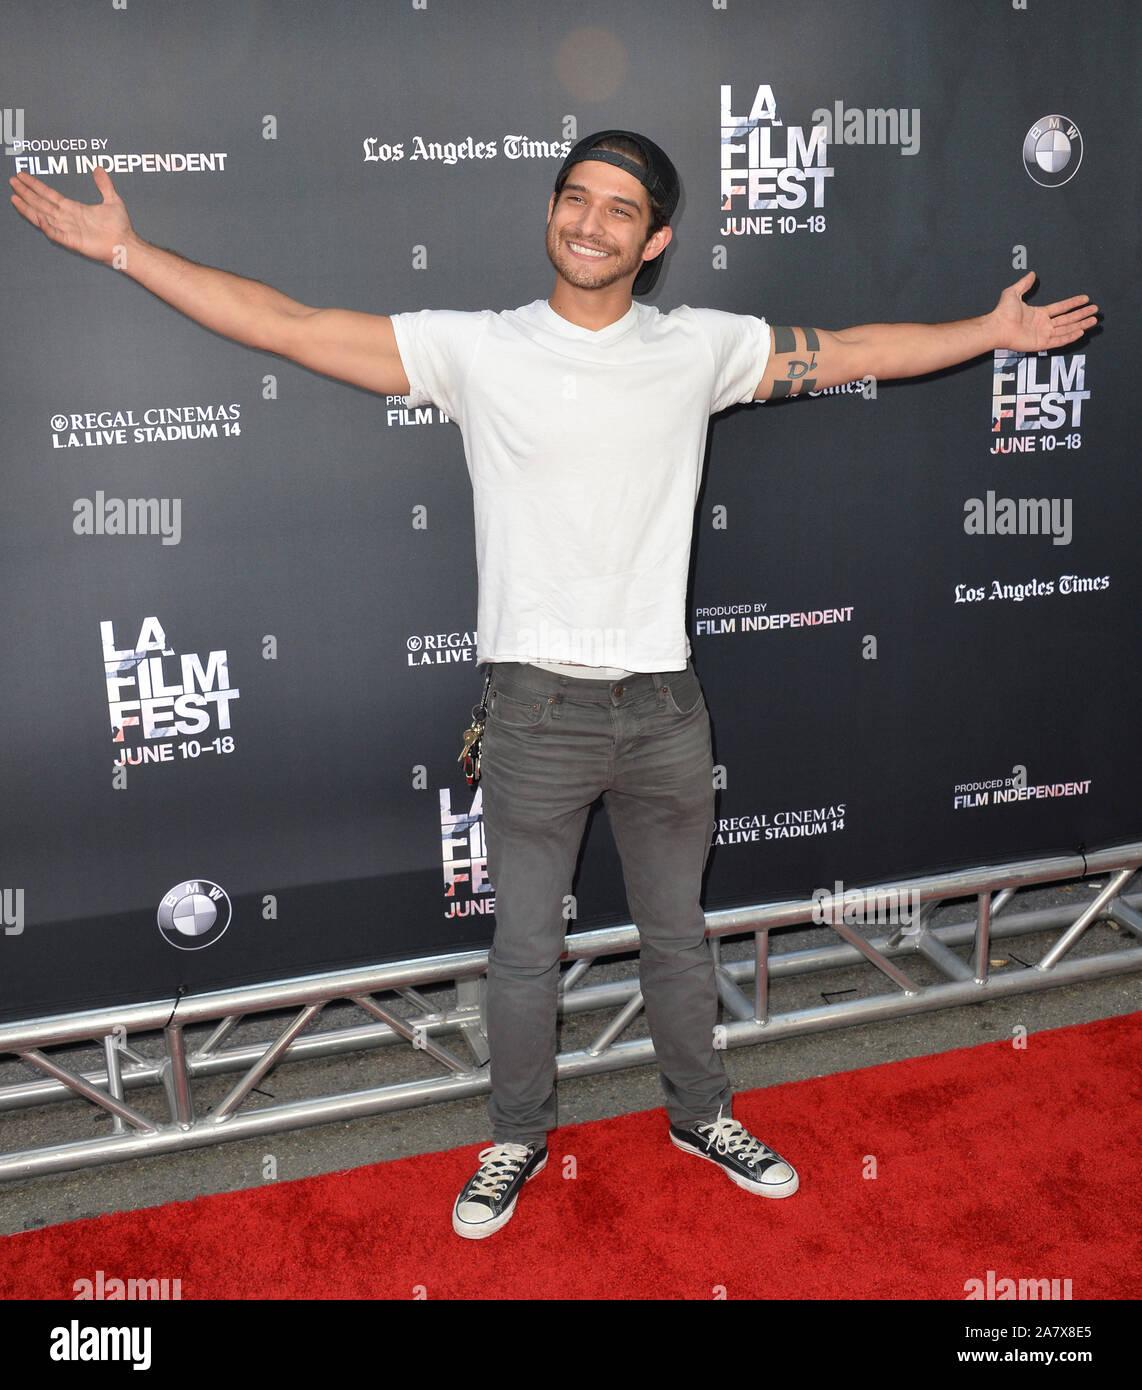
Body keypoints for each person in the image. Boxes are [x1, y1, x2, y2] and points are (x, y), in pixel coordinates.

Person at [10, 131, 1097, 1240]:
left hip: (666, 707)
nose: (589, 221)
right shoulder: (478, 350)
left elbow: (861, 347)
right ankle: (515, 1137)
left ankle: (699, 1114)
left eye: (619, 209)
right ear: (550, 212)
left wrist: (992, 331)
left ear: (655, 239)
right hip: (533, 709)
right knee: (524, 951)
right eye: (574, 198)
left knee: (678, 935)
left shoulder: (700, 349)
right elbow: (290, 325)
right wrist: (127, 253)